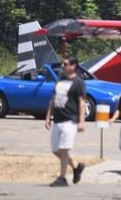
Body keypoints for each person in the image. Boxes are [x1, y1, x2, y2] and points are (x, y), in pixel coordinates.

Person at [44, 57, 86, 187]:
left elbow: (82, 103)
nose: (63, 65)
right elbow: (53, 99)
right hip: (58, 119)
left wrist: (81, 122)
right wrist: (48, 117)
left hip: (70, 120)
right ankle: (76, 166)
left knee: (64, 149)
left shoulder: (79, 82)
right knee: (55, 149)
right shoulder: (60, 80)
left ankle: (62, 178)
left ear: (73, 66)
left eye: (66, 64)